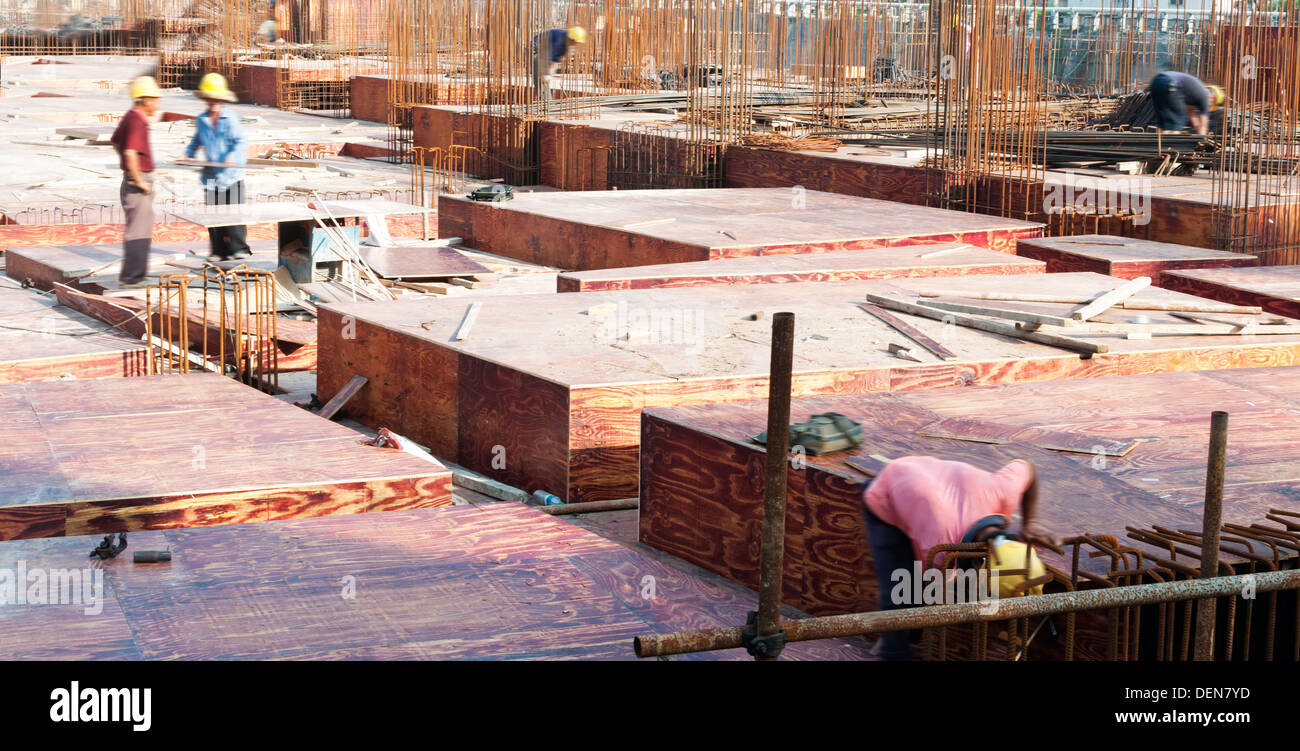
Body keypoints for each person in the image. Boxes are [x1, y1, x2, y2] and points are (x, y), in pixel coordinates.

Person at [861, 456, 1055, 660]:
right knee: (900, 585)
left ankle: (907, 634)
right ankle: (892, 650)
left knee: (914, 597)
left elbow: (1028, 468)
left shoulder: (1004, 492)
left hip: (928, 482)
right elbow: (926, 582)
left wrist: (1030, 522)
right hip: (887, 492)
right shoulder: (939, 549)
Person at [180, 73, 249, 262]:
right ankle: (218, 251)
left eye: (217, 99)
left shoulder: (231, 119)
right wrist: (188, 154)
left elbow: (240, 141)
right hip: (211, 176)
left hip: (231, 174)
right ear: (206, 99)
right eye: (210, 99)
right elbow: (196, 140)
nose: (214, 102)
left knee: (233, 214)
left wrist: (231, 156)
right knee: (214, 216)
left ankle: (239, 249)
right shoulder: (202, 119)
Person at [109, 76, 163, 288]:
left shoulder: (130, 118)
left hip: (132, 179)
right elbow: (130, 152)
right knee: (138, 232)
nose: (157, 104)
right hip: (137, 182)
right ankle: (132, 278)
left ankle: (137, 274)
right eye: (155, 99)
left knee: (140, 229)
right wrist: (139, 180)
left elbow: (116, 142)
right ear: (146, 100)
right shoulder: (136, 121)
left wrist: (128, 165)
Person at [1148, 70, 1225, 135]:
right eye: (1213, 104)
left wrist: (1196, 127)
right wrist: (1202, 141)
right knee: (1176, 123)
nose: (1210, 105)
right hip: (1171, 83)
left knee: (1164, 124)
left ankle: (1160, 146)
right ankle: (1170, 147)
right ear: (1213, 98)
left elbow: (1191, 113)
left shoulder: (1196, 92)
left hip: (1157, 81)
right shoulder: (1205, 97)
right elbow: (1203, 126)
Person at [533, 26, 587, 104]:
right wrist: (547, 73)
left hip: (545, 53)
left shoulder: (566, 44)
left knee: (545, 80)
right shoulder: (560, 39)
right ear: (572, 38)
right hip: (536, 50)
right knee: (540, 77)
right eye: (576, 42)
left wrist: (550, 73)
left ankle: (546, 102)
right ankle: (545, 103)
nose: (576, 44)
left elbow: (556, 60)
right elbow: (550, 57)